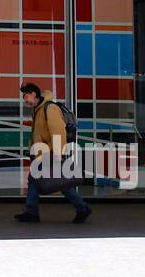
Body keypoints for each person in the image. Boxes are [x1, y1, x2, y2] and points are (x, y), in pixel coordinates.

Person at [14, 82, 92, 224]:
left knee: (61, 183)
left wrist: (55, 154)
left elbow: (58, 133)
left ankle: (82, 208)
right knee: (41, 181)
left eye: (25, 95)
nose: (24, 99)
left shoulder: (50, 109)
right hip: (42, 153)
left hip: (50, 153)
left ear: (33, 94)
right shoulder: (38, 109)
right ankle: (32, 212)